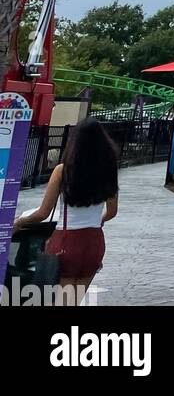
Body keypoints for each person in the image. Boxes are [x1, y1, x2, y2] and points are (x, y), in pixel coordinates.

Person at [13, 117, 119, 304]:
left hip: (67, 242)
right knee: (74, 301)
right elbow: (111, 212)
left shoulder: (63, 171)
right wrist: (96, 220)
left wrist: (19, 222)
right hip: (94, 243)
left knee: (60, 302)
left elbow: (43, 212)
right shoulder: (109, 170)